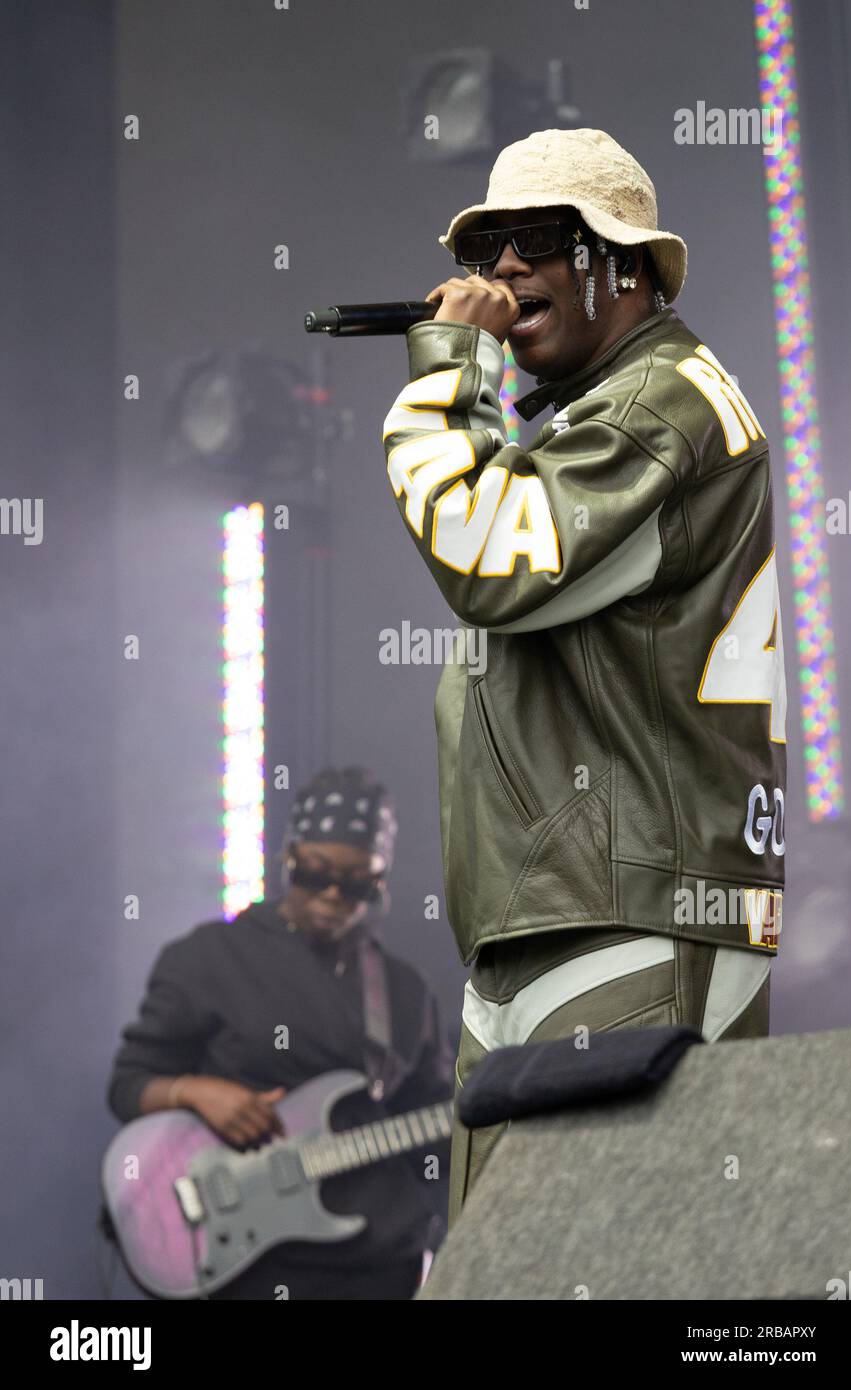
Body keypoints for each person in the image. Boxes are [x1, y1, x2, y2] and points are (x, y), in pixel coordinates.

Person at [381, 128, 787, 1223]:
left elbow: (480, 554)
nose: (502, 271)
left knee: (611, 1263)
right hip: (555, 917)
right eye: (488, 246)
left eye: (538, 242)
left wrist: (446, 378)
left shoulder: (666, 401)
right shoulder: (593, 416)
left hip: (636, 914)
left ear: (626, 265)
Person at [107, 766, 453, 1299]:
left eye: (357, 881)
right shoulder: (207, 958)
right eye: (316, 873)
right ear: (288, 857)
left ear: (380, 881)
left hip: (376, 1259)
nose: (334, 893)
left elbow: (436, 1114)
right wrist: (194, 1092)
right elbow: (129, 1085)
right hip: (248, 1252)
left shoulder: (404, 990)